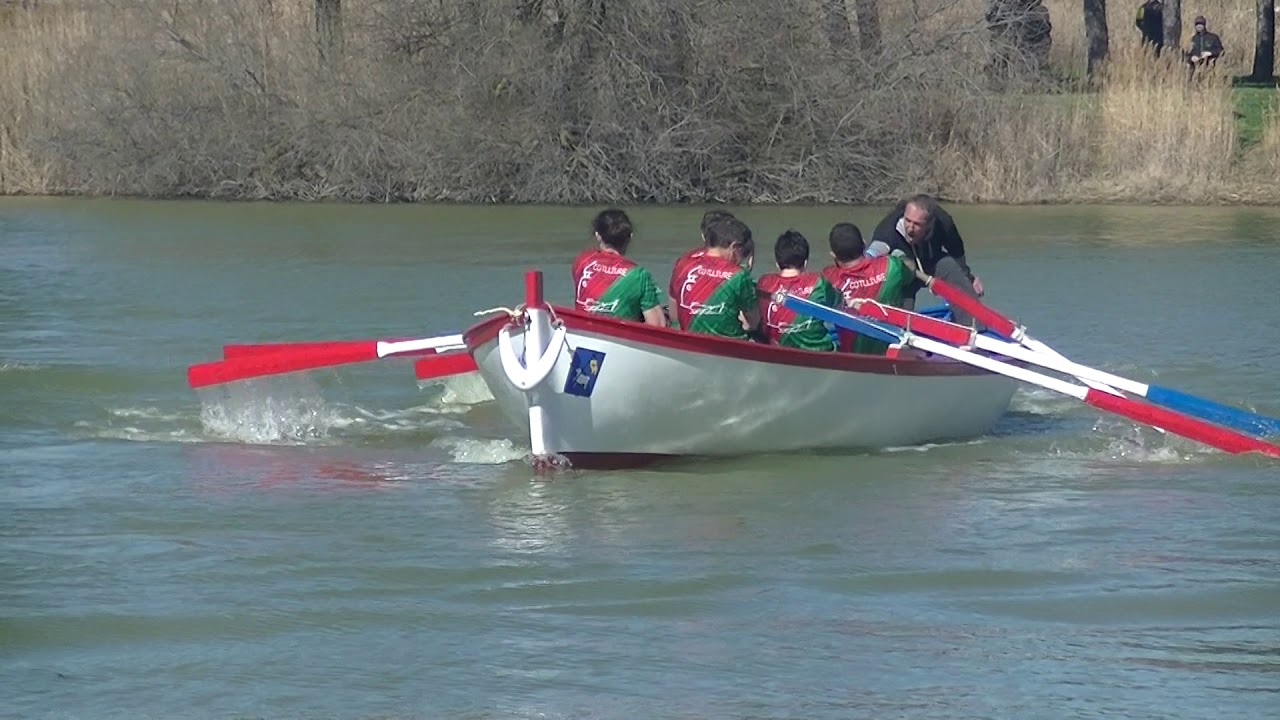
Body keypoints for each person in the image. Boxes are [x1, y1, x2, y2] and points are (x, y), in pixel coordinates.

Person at [866, 194, 984, 326]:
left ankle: (974, 327)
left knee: (949, 266)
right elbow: (870, 258)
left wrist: (968, 278)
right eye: (907, 221)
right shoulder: (886, 232)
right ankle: (900, 328)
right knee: (900, 290)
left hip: (931, 260)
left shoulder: (943, 223)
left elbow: (957, 252)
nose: (910, 228)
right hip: (903, 269)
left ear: (929, 225)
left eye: (917, 224)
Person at [821, 222, 920, 355]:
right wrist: (900, 256)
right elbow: (911, 271)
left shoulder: (827, 278)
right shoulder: (891, 265)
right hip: (892, 351)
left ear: (833, 254)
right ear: (864, 243)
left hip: (853, 356)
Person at [571, 209, 666, 327]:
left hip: (584, 330)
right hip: (618, 336)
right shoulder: (639, 274)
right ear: (630, 237)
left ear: (598, 236)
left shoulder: (582, 260)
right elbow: (657, 325)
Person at [674, 217, 762, 340]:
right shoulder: (739, 275)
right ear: (734, 247)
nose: (742, 259)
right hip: (729, 345)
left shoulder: (684, 262)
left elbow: (673, 303)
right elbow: (753, 322)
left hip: (687, 338)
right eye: (744, 253)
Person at [754, 230, 839, 351]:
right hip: (818, 352)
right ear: (805, 263)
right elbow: (837, 304)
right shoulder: (819, 282)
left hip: (776, 351)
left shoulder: (764, 282)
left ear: (777, 263)